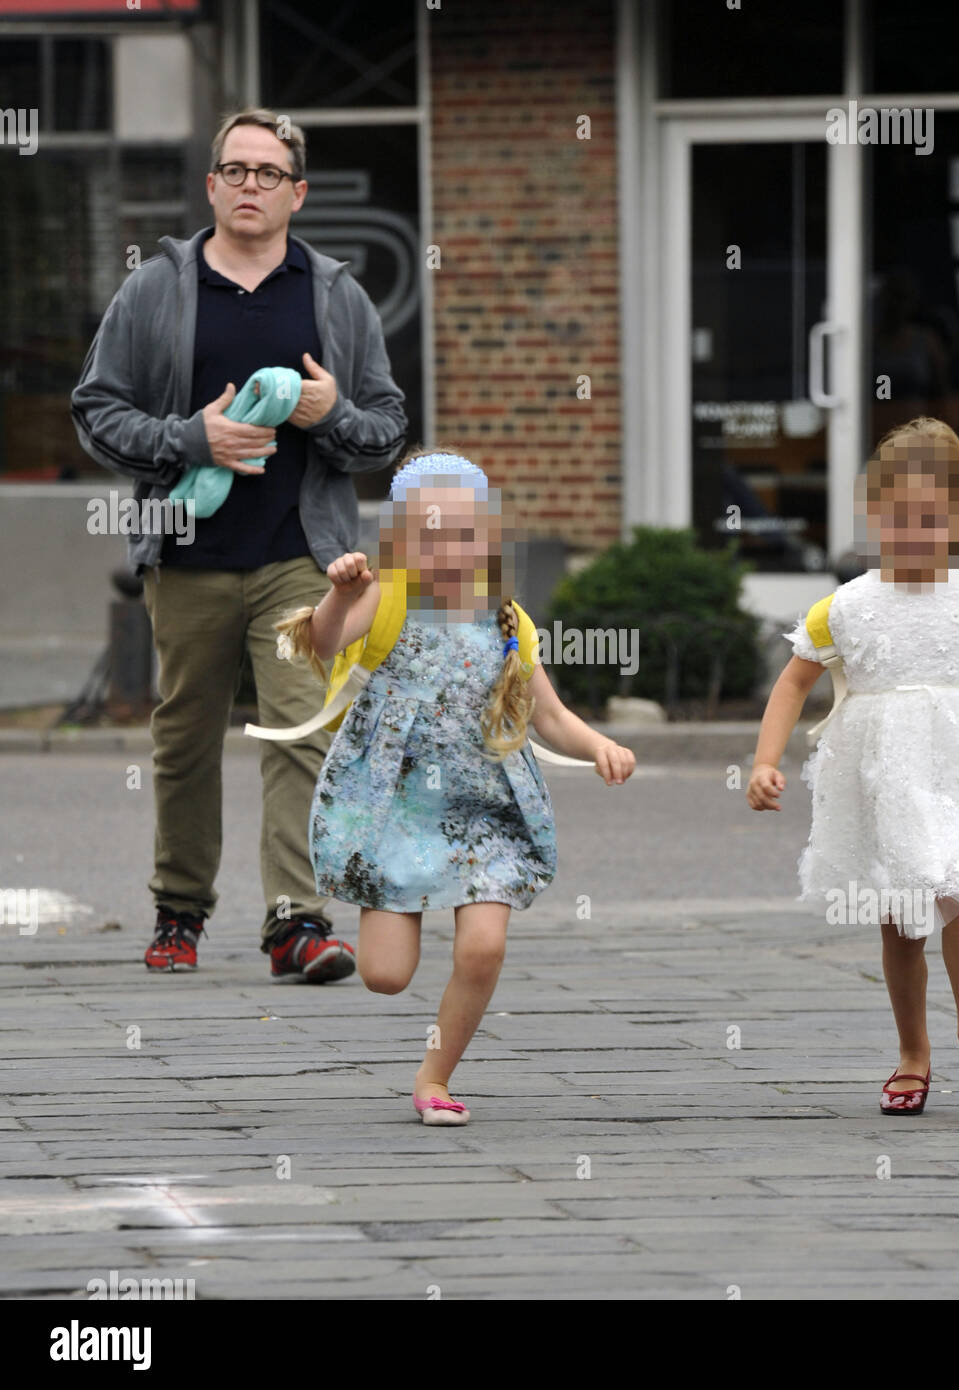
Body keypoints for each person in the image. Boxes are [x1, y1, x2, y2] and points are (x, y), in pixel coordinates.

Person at [70, 107, 408, 979]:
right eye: (236, 170)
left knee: (299, 729)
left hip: (305, 553)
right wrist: (192, 441)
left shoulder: (334, 296)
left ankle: (297, 922)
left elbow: (388, 431)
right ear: (211, 185)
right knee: (183, 740)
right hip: (185, 551)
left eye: (269, 173)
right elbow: (96, 412)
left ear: (296, 194)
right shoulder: (158, 289)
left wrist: (331, 414)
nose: (250, 185)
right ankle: (179, 911)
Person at [274, 451, 637, 1123]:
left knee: (484, 945)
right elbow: (323, 643)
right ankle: (397, 926)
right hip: (395, 809)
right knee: (386, 976)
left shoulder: (508, 621)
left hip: (483, 812)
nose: (448, 550)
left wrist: (600, 747)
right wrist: (342, 592)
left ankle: (435, 1077)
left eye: (464, 534)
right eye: (429, 535)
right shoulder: (385, 600)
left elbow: (549, 716)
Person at [746, 417, 959, 1115]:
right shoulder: (847, 605)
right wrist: (762, 761)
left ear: (958, 521)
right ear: (875, 516)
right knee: (903, 917)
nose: (915, 535)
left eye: (932, 521)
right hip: (886, 780)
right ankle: (912, 1054)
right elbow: (792, 682)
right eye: (899, 519)